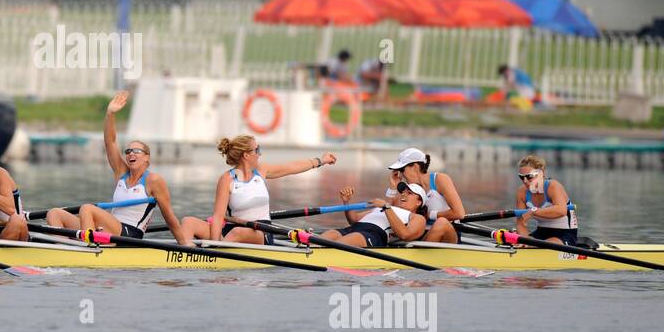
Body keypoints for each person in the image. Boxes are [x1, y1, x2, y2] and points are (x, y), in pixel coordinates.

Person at [44, 90, 190, 244]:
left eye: (136, 151)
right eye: (128, 151)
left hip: (131, 234)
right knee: (54, 214)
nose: (130, 154)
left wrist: (185, 243)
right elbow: (110, 143)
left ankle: (88, 248)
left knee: (87, 208)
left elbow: (169, 216)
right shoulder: (122, 173)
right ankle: (63, 249)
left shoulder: (153, 180)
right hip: (110, 229)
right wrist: (110, 114)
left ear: (147, 157)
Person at [179, 135, 336, 245]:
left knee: (237, 233)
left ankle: (217, 250)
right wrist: (214, 241)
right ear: (246, 155)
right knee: (188, 222)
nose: (259, 153)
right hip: (232, 229)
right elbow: (219, 216)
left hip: (261, 232)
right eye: (257, 149)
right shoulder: (226, 179)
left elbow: (292, 167)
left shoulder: (262, 171)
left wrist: (321, 160)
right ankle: (187, 253)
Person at [385, 147, 465, 243]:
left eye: (402, 170)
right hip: (421, 234)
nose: (400, 175)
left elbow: (459, 213)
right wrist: (393, 187)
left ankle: (418, 255)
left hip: (448, 234)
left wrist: (430, 215)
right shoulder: (409, 189)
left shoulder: (440, 179)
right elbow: (388, 212)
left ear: (415, 167)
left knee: (441, 222)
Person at [322, 182, 428, 248]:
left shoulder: (417, 217)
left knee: (345, 241)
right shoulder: (387, 207)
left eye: (410, 193)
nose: (404, 195)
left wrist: (386, 207)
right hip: (353, 228)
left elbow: (405, 235)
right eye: (403, 192)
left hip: (373, 235)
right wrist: (347, 201)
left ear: (419, 202)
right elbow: (353, 219)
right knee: (330, 234)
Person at [513, 155, 579, 245]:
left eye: (529, 176)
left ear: (541, 173)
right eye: (521, 177)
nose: (525, 181)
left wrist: (534, 211)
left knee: (542, 245)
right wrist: (524, 242)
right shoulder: (522, 192)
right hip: (541, 232)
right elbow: (521, 224)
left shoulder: (553, 186)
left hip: (565, 233)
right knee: (514, 241)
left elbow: (561, 211)